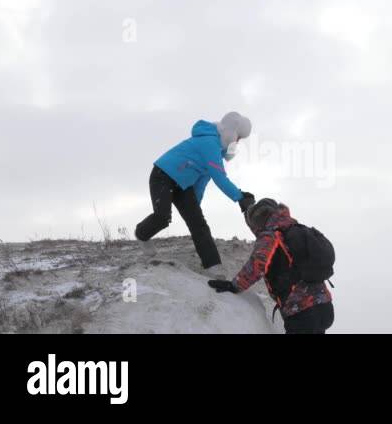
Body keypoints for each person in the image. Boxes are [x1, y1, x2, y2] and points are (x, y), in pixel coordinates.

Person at [135, 112, 256, 280]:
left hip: (183, 184)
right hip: (163, 175)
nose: (237, 142)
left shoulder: (218, 152)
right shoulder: (209, 143)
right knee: (162, 217)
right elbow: (219, 177)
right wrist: (239, 196)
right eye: (238, 138)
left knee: (198, 223)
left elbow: (202, 181)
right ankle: (141, 234)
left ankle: (213, 265)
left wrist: (195, 208)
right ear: (231, 132)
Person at [208, 198, 335, 334]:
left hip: (301, 311)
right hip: (324, 306)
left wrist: (234, 285)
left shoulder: (271, 235)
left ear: (258, 221)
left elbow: (257, 265)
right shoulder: (293, 228)